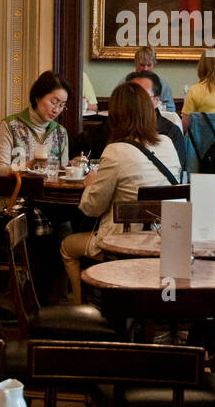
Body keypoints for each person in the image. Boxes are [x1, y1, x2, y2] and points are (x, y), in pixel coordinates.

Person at [61, 83, 181, 302]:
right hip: (166, 241)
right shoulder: (168, 143)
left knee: (67, 247)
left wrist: (90, 183)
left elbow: (92, 208)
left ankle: (83, 309)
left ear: (115, 116)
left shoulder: (115, 150)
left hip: (125, 242)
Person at [0, 71, 71, 174]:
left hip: (51, 190)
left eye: (62, 106)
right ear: (38, 97)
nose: (56, 110)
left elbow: (63, 174)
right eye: (54, 102)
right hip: (18, 189)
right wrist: (27, 166)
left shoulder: (60, 132)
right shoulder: (10, 126)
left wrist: (72, 166)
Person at [133, 45, 175, 114]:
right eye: (142, 65)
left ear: (154, 65)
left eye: (149, 65)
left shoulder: (162, 84)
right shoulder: (126, 83)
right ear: (136, 63)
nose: (145, 68)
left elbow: (170, 110)